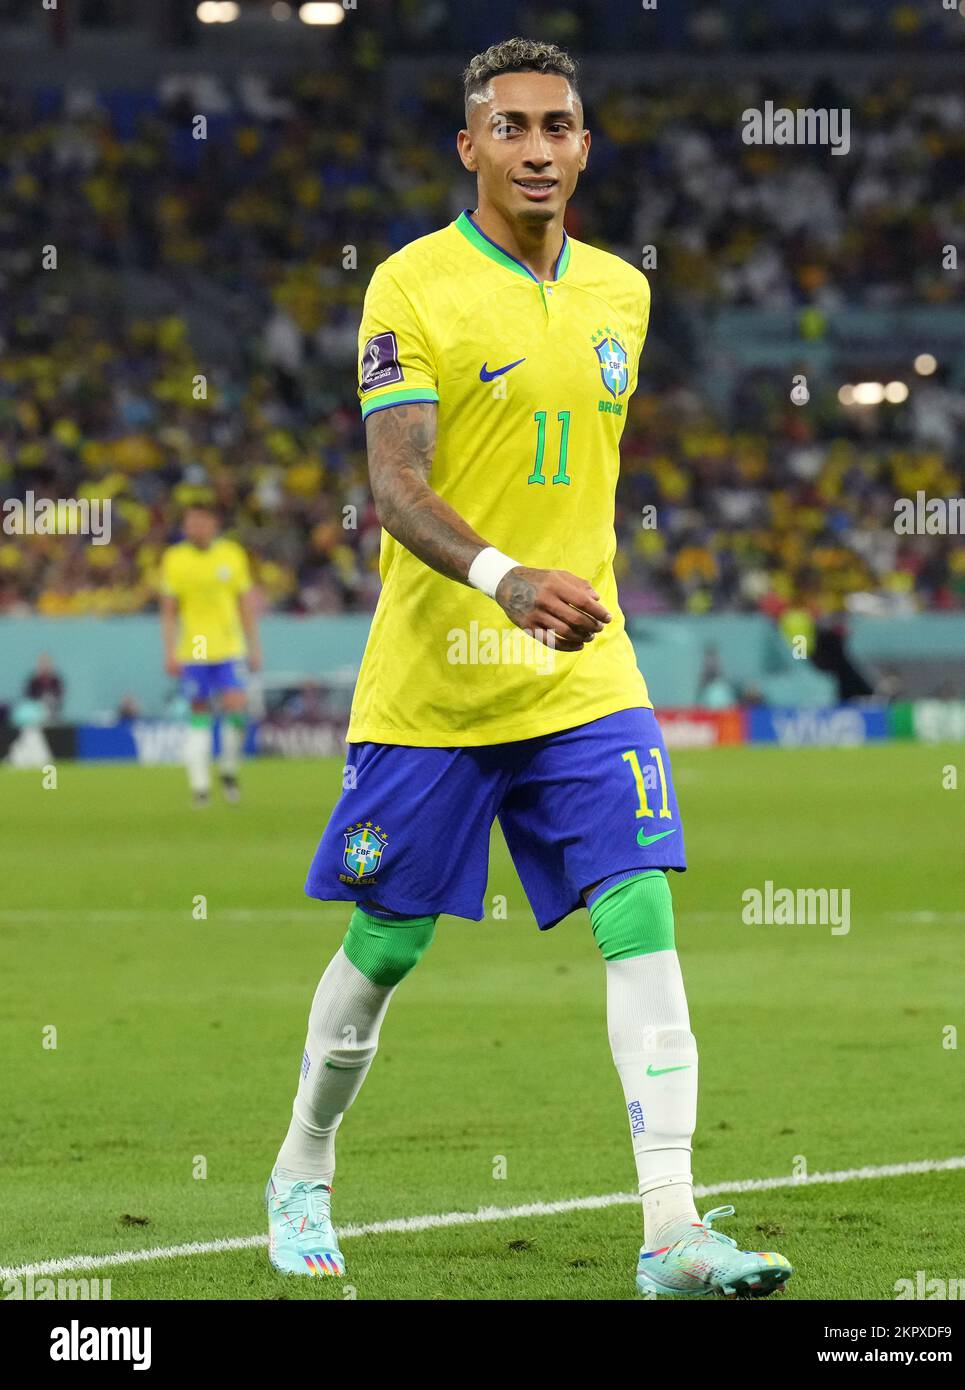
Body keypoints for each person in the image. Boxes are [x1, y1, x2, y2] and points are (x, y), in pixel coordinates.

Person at [266, 37, 792, 1299]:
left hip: (585, 676)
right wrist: (505, 578)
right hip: (437, 684)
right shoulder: (412, 284)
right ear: (471, 146)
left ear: (586, 146)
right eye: (511, 127)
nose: (538, 148)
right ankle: (301, 1165)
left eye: (559, 126)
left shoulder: (622, 292)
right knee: (387, 943)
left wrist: (555, 589)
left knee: (641, 908)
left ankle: (671, 1229)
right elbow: (396, 487)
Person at [159, 504, 261, 807]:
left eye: (201, 522)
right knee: (199, 714)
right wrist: (169, 652)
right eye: (191, 523)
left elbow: (245, 604)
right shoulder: (174, 559)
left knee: (237, 708)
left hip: (229, 648)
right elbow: (168, 611)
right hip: (194, 652)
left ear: (214, 524)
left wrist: (254, 646)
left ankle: (228, 768)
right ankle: (200, 786)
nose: (196, 528)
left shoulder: (232, 555)